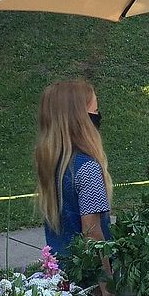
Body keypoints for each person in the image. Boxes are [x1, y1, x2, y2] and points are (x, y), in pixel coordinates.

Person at [35, 80, 113, 271]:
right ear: (81, 119)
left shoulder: (53, 165)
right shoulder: (88, 169)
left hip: (61, 276)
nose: (98, 117)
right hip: (90, 282)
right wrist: (108, 288)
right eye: (95, 111)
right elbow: (93, 236)